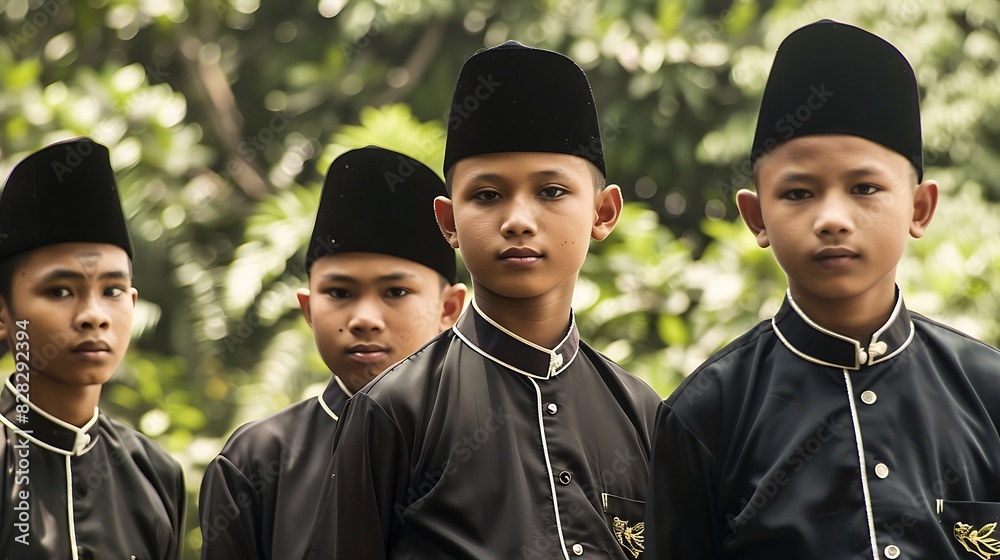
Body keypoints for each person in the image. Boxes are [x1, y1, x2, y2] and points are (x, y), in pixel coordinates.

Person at [645, 20, 1000, 560]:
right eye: (799, 192)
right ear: (756, 216)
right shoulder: (707, 415)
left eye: (864, 187)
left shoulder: (988, 390)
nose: (833, 218)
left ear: (920, 208)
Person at [303, 41, 662, 560]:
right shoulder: (395, 411)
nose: (518, 219)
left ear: (603, 212)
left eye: (552, 191)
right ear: (448, 222)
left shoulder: (642, 413)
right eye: (487, 195)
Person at [198, 145, 466, 560]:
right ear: (308, 308)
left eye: (395, 292)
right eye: (339, 293)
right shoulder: (256, 462)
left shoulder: (493, 439)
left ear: (449, 308)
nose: (363, 319)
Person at [0, 138, 186, 559]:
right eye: (60, 290)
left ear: (133, 305)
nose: (93, 315)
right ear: (3, 314)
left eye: (113, 290)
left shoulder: (154, 473)